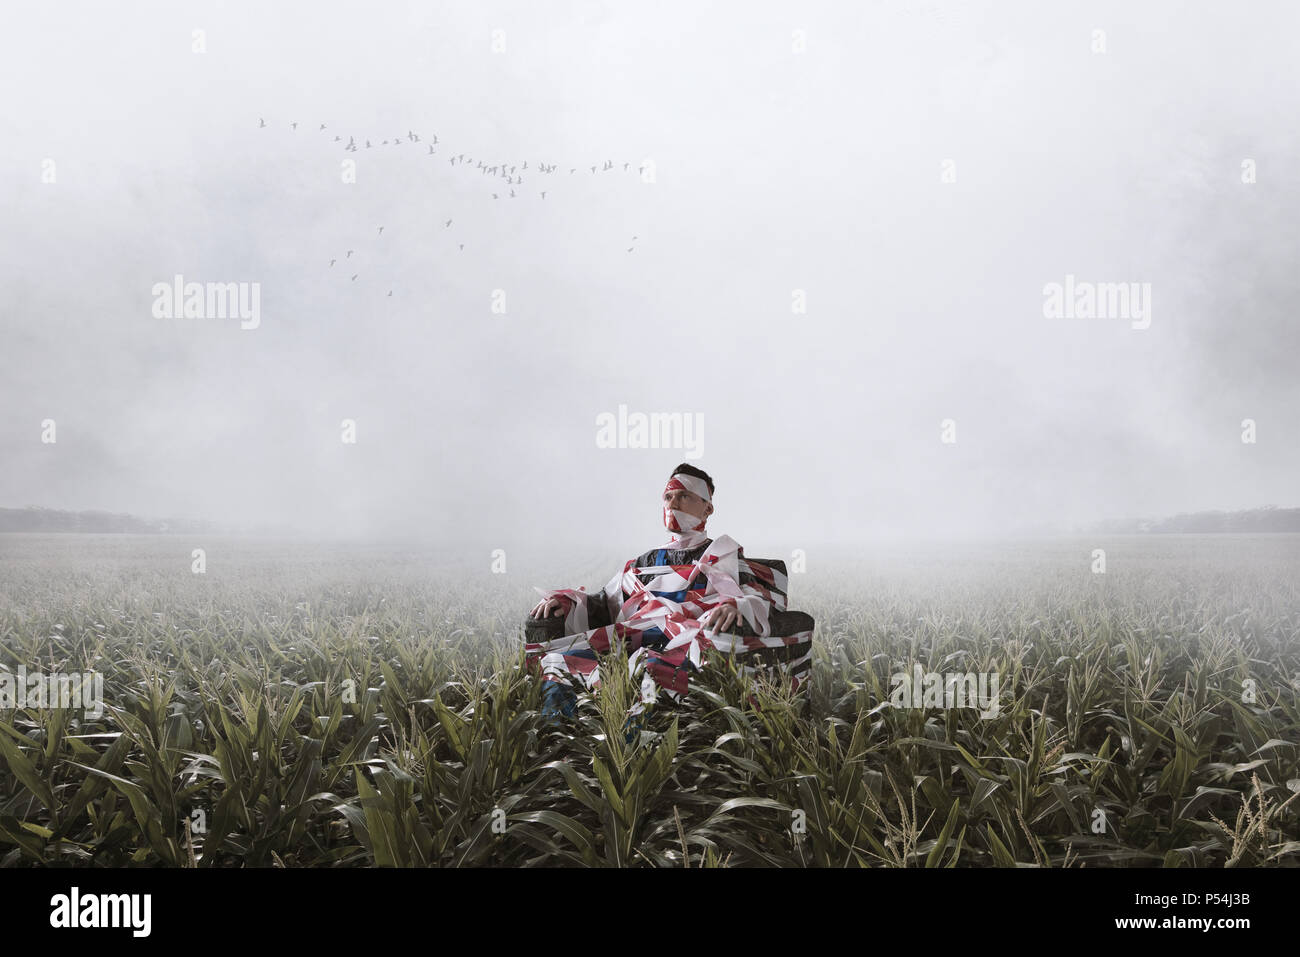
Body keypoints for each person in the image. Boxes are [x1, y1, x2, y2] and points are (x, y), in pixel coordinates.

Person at [526, 463, 794, 726]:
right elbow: (604, 602)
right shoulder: (645, 561)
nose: (673, 503)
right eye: (668, 497)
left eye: (684, 496)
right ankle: (560, 741)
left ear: (708, 508)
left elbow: (755, 596)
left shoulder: (723, 557)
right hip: (629, 638)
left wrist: (737, 606)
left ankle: (634, 755)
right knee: (556, 661)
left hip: (686, 643)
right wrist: (565, 601)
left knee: (647, 667)